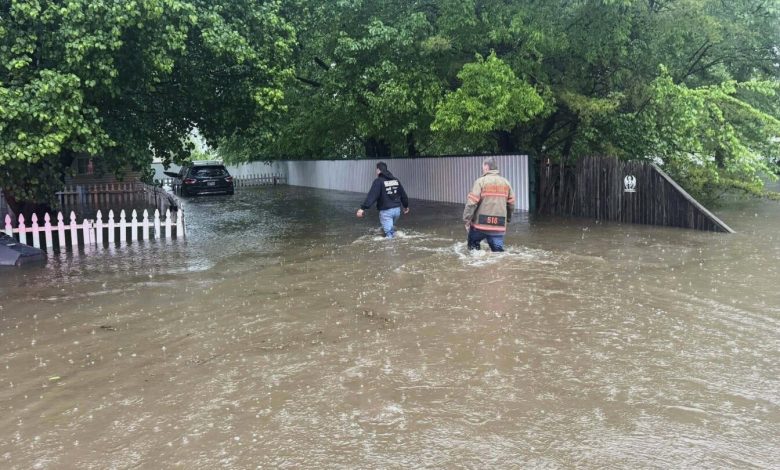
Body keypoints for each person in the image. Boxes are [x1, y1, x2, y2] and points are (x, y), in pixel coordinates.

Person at [463, 157, 515, 252]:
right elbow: (511, 204)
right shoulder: (506, 183)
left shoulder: (480, 182)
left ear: (486, 167)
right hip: (498, 225)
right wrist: (507, 219)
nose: (482, 169)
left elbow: (471, 203)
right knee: (498, 254)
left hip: (480, 225)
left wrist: (466, 219)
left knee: (473, 249)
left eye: (483, 167)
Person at [356, 162, 410, 238]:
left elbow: (372, 196)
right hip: (397, 211)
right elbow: (403, 195)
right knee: (389, 228)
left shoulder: (378, 181)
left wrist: (362, 208)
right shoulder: (396, 180)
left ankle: (392, 244)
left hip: (386, 212)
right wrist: (405, 206)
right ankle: (397, 234)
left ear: (378, 170)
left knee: (389, 236)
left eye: (376, 169)